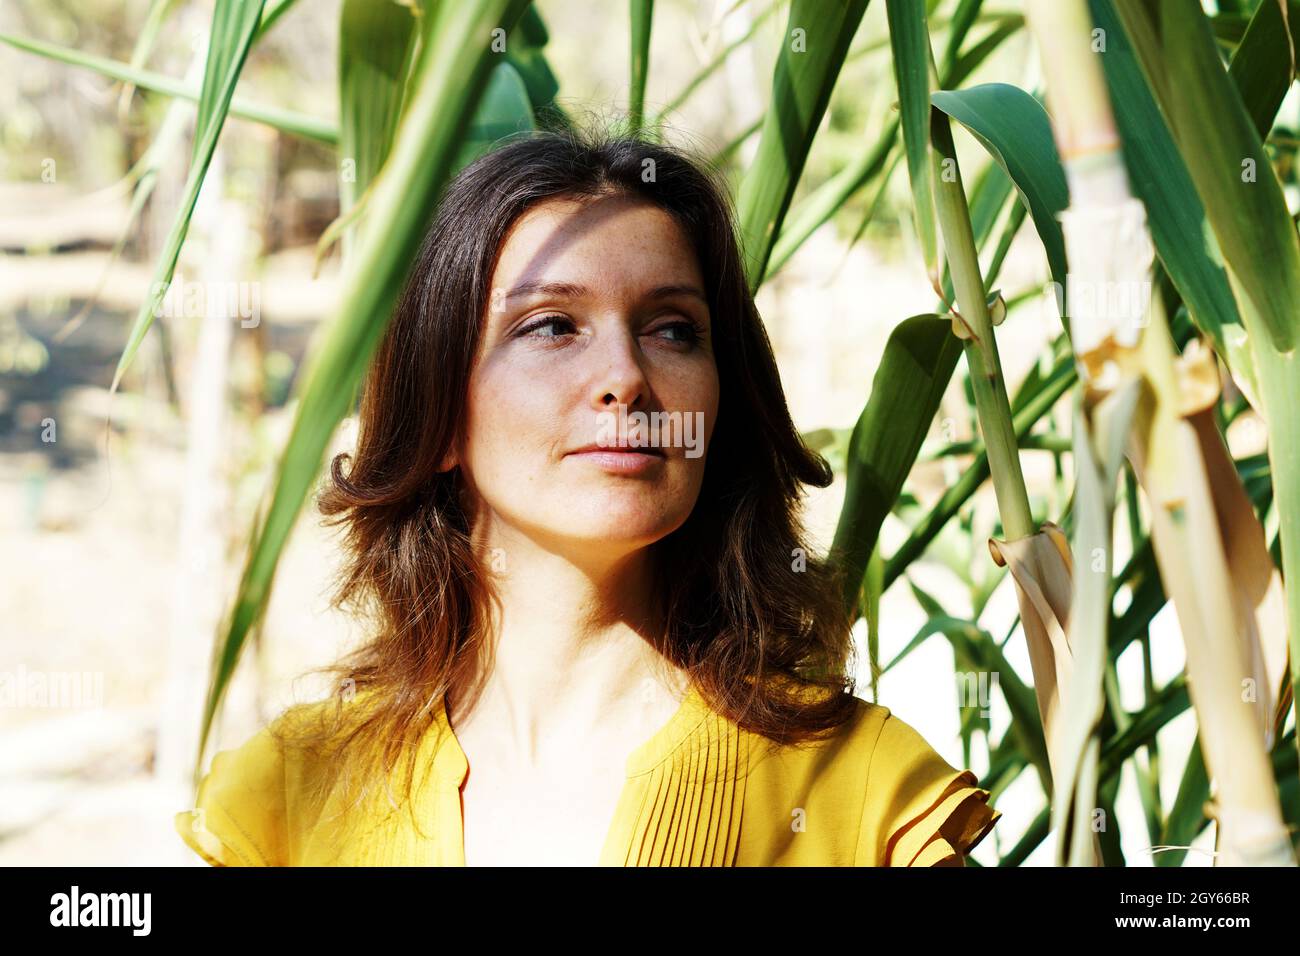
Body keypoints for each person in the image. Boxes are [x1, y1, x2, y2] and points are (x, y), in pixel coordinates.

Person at [174, 124, 1000, 867]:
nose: (626, 379)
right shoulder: (287, 805)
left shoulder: (866, 805)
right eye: (551, 325)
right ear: (442, 417)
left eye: (672, 328)